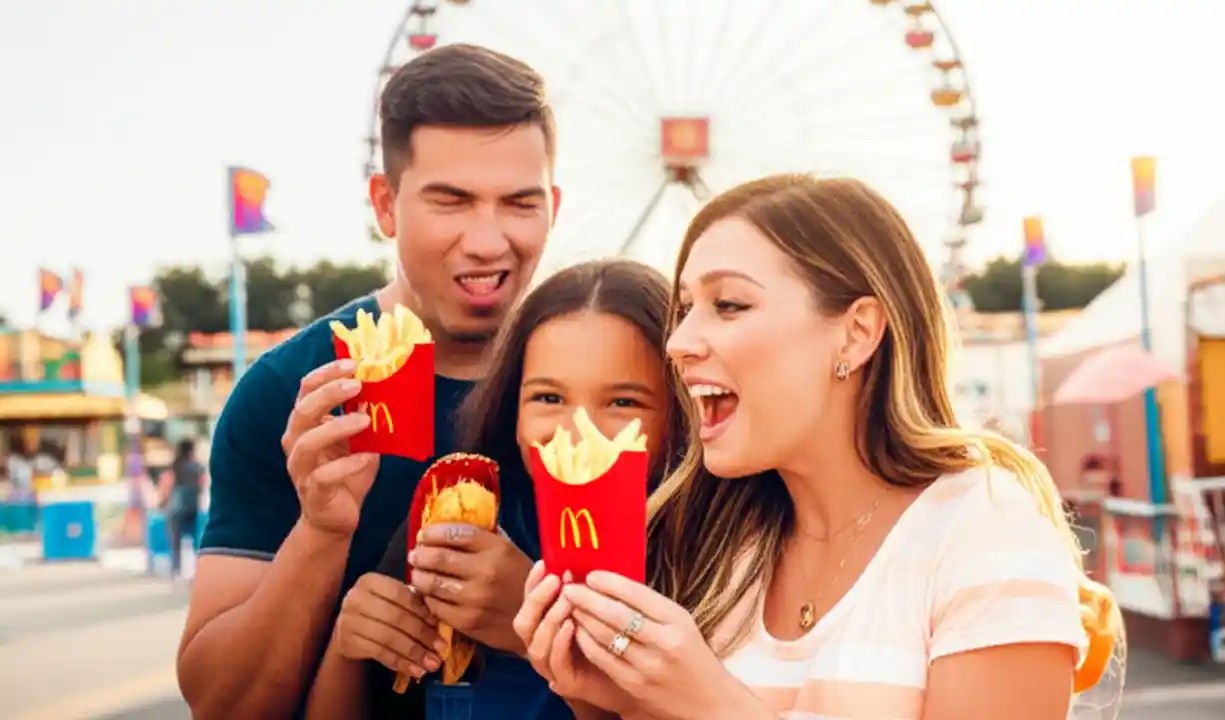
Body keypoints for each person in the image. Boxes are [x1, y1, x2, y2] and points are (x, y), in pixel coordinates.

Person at [516, 174, 1123, 719]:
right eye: (684, 309)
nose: (678, 342)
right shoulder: (711, 545)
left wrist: (708, 705)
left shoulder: (983, 531)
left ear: (857, 333)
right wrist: (602, 702)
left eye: (727, 304)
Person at [176, 43, 561, 718]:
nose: (488, 240)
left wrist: (530, 608)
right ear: (385, 204)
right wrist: (322, 534)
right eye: (452, 201)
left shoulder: (609, 374)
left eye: (519, 203)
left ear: (554, 204)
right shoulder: (292, 389)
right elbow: (222, 704)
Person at [305, 259, 690, 719]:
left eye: (624, 402)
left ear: (680, 413)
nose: (578, 430)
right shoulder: (458, 515)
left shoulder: (707, 550)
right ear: (513, 405)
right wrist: (349, 649)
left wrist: (529, 627)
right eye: (548, 398)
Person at [155, 438, 207, 580]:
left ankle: (176, 570)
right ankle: (198, 571)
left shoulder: (176, 466)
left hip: (176, 507)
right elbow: (202, 485)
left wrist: (162, 502)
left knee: (176, 541)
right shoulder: (198, 467)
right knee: (195, 541)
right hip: (192, 506)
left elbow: (168, 485)